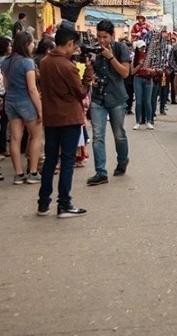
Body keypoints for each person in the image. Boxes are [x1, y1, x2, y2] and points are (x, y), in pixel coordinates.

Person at [37, 26, 93, 218]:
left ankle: (43, 202)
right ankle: (64, 203)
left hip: (51, 117)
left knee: (51, 159)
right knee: (68, 160)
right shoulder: (67, 66)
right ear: (70, 43)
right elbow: (81, 92)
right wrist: (88, 75)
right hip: (69, 117)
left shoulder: (44, 62)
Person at [87, 20, 131, 185]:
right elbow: (93, 73)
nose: (101, 40)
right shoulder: (94, 49)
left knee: (119, 134)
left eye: (105, 37)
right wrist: (93, 77)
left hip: (116, 97)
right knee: (98, 135)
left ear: (112, 35)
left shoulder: (121, 48)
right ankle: (101, 172)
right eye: (99, 37)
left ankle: (122, 160)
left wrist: (110, 57)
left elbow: (125, 73)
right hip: (98, 97)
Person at [3, 31, 44, 184]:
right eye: (32, 43)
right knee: (36, 136)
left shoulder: (7, 61)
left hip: (11, 100)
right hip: (26, 101)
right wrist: (40, 109)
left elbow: (5, 84)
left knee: (15, 138)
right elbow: (32, 88)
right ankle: (33, 172)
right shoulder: (27, 62)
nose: (33, 46)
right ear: (27, 44)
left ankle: (18, 174)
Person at [132, 37, 156, 131]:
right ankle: (138, 121)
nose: (143, 49)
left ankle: (148, 121)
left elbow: (154, 70)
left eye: (144, 47)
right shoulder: (134, 58)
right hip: (138, 79)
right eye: (141, 47)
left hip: (148, 79)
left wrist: (150, 71)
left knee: (147, 101)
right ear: (137, 48)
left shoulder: (148, 57)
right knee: (138, 101)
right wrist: (139, 65)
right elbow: (132, 72)